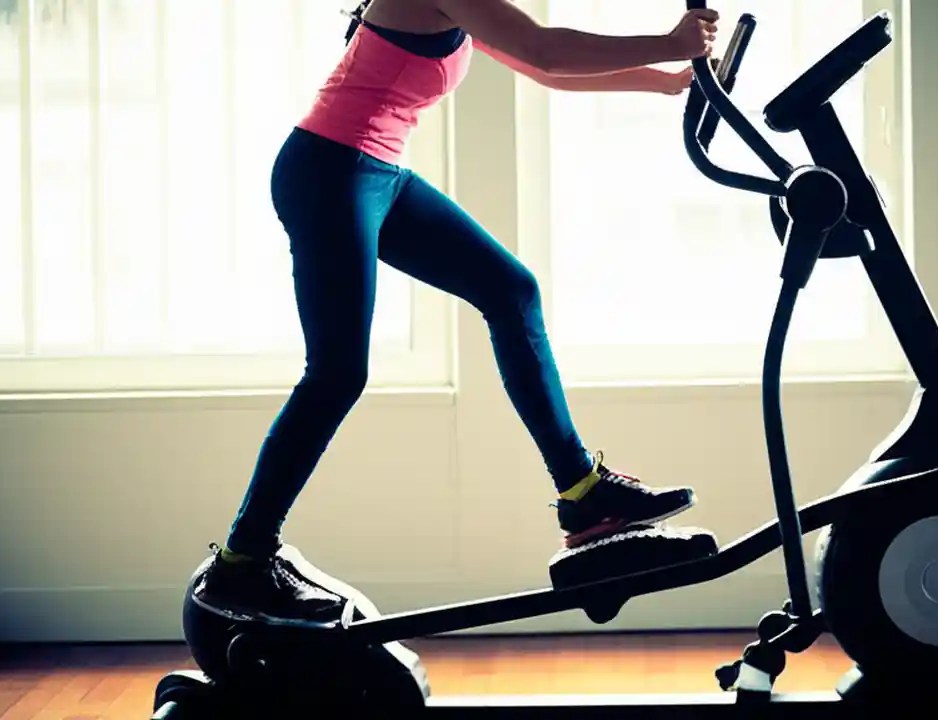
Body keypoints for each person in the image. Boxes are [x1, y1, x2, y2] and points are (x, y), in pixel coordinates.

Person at [194, 0, 721, 626]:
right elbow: (544, 48)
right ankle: (244, 557)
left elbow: (542, 70)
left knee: (511, 291)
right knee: (337, 374)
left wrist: (668, 81)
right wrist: (666, 42)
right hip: (330, 171)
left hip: (377, 173)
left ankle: (583, 492)